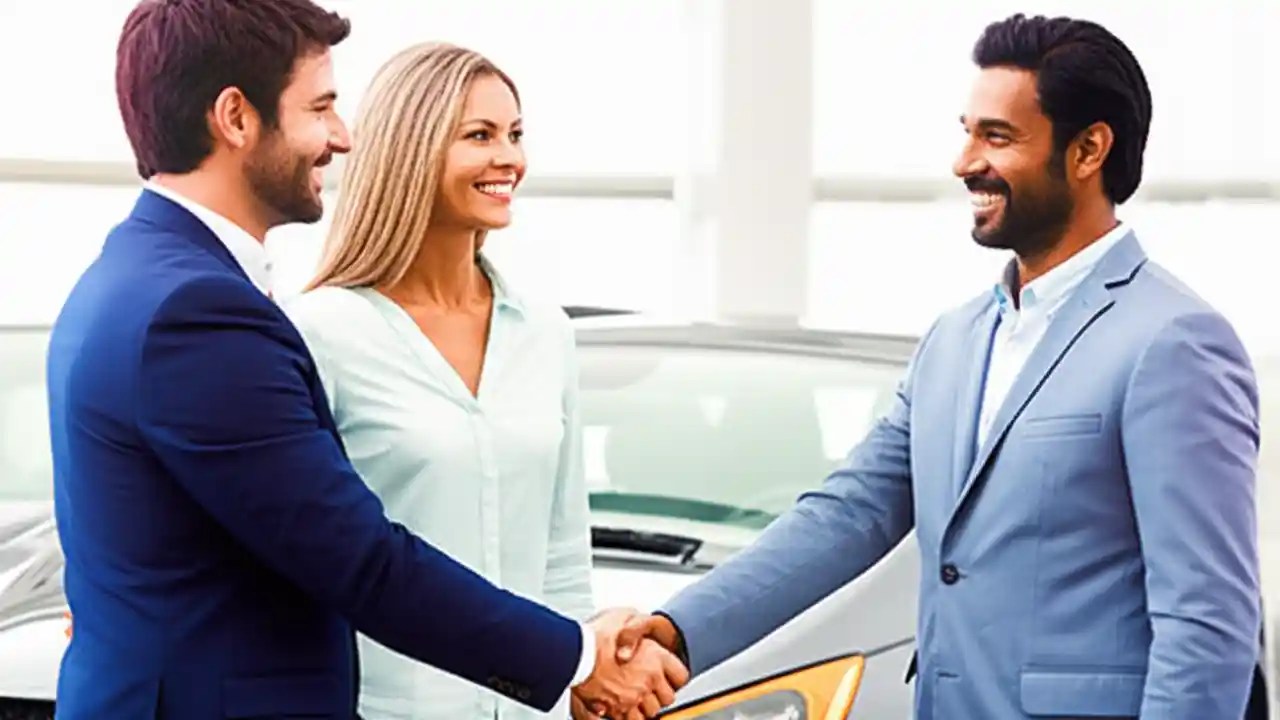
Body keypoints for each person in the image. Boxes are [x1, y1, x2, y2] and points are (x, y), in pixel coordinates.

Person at [612, 13, 1265, 720]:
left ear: (1088, 151)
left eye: (997, 136)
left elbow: (1207, 621)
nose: (964, 161)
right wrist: (677, 630)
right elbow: (849, 515)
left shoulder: (1173, 343)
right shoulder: (954, 341)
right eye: (967, 131)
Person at [44, 2, 685, 719]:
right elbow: (358, 558)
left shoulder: (134, 279)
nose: (343, 137)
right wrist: (579, 659)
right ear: (235, 117)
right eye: (320, 108)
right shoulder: (199, 313)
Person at [280, 42, 616, 720]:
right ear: (412, 149)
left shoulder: (546, 333)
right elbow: (288, 540)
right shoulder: (318, 334)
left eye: (515, 135)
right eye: (480, 136)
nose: (510, 159)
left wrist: (587, 677)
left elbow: (562, 556)